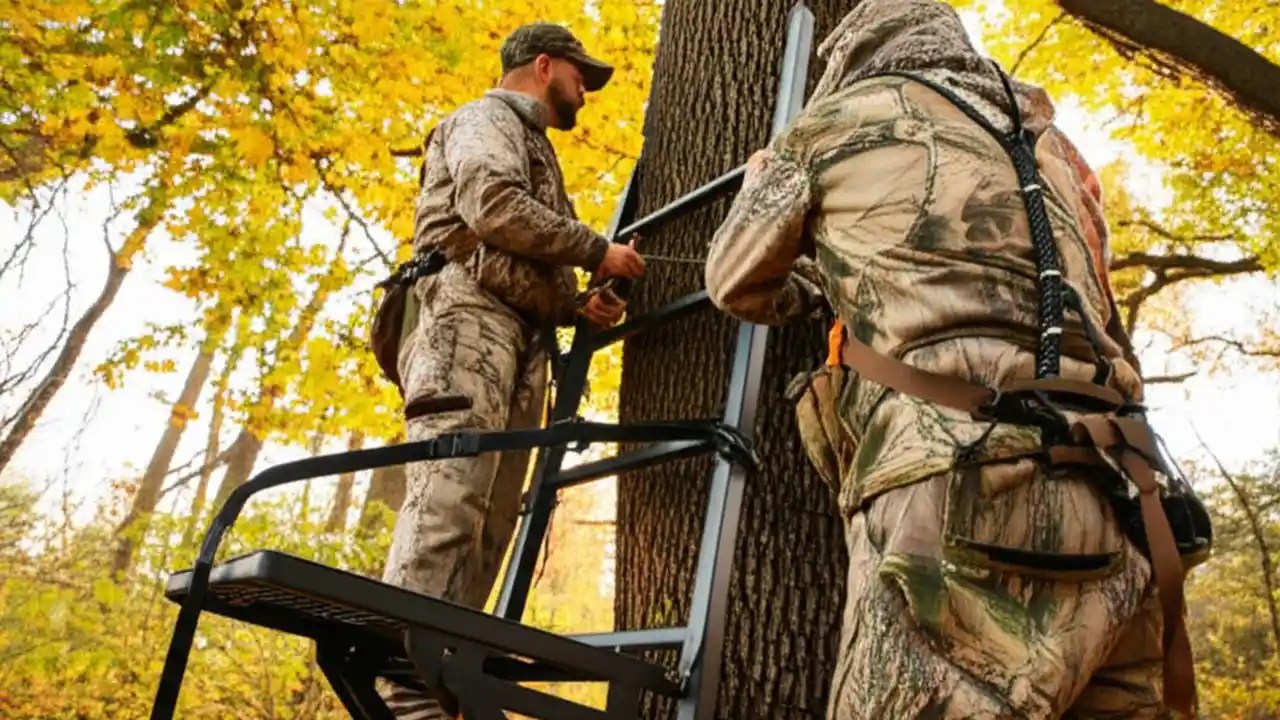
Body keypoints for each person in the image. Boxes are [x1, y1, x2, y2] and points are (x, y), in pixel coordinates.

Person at [703, 1, 1204, 717]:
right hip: (1125, 497)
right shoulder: (1056, 152)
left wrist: (777, 207)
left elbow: (732, 278)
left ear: (854, 55)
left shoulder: (834, 121)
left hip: (959, 488)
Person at [378, 22, 644, 719]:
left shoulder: (538, 150)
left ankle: (443, 679)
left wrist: (579, 304)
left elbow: (526, 259)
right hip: (464, 321)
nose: (584, 86)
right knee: (451, 491)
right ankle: (403, 674)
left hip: (519, 340)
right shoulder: (485, 118)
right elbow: (490, 205)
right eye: (579, 72)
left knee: (492, 518)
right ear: (543, 64)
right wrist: (597, 249)